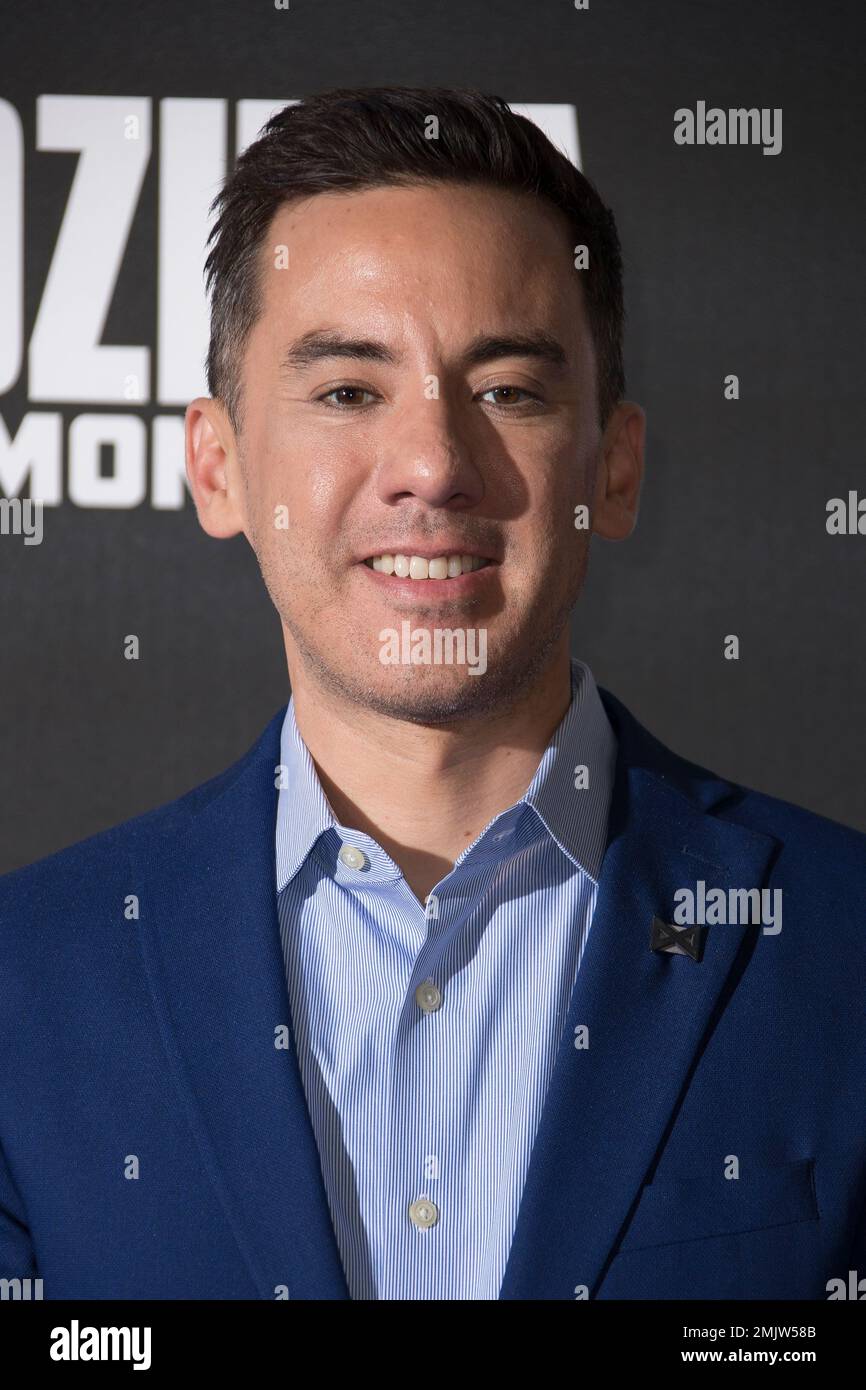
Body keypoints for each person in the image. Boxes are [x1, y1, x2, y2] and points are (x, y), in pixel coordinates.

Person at [1, 86, 864, 1302]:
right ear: (217, 464)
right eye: (348, 390)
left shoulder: (841, 945)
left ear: (612, 472)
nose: (431, 468)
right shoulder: (24, 986)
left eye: (508, 391)